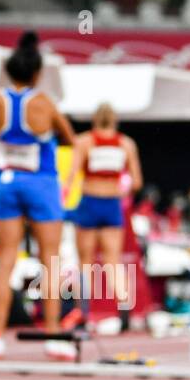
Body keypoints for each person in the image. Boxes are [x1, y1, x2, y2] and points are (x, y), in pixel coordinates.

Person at [0, 31, 76, 361]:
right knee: (50, 260)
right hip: (41, 182)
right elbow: (68, 138)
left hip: (7, 181)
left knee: (5, 260)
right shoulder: (43, 102)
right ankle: (51, 335)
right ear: (37, 73)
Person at [65, 103, 142, 333]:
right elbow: (136, 182)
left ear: (94, 120)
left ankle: (83, 311)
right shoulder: (126, 144)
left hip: (90, 201)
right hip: (112, 204)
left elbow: (71, 177)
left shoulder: (84, 141)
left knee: (85, 262)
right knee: (112, 261)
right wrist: (122, 191)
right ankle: (125, 304)